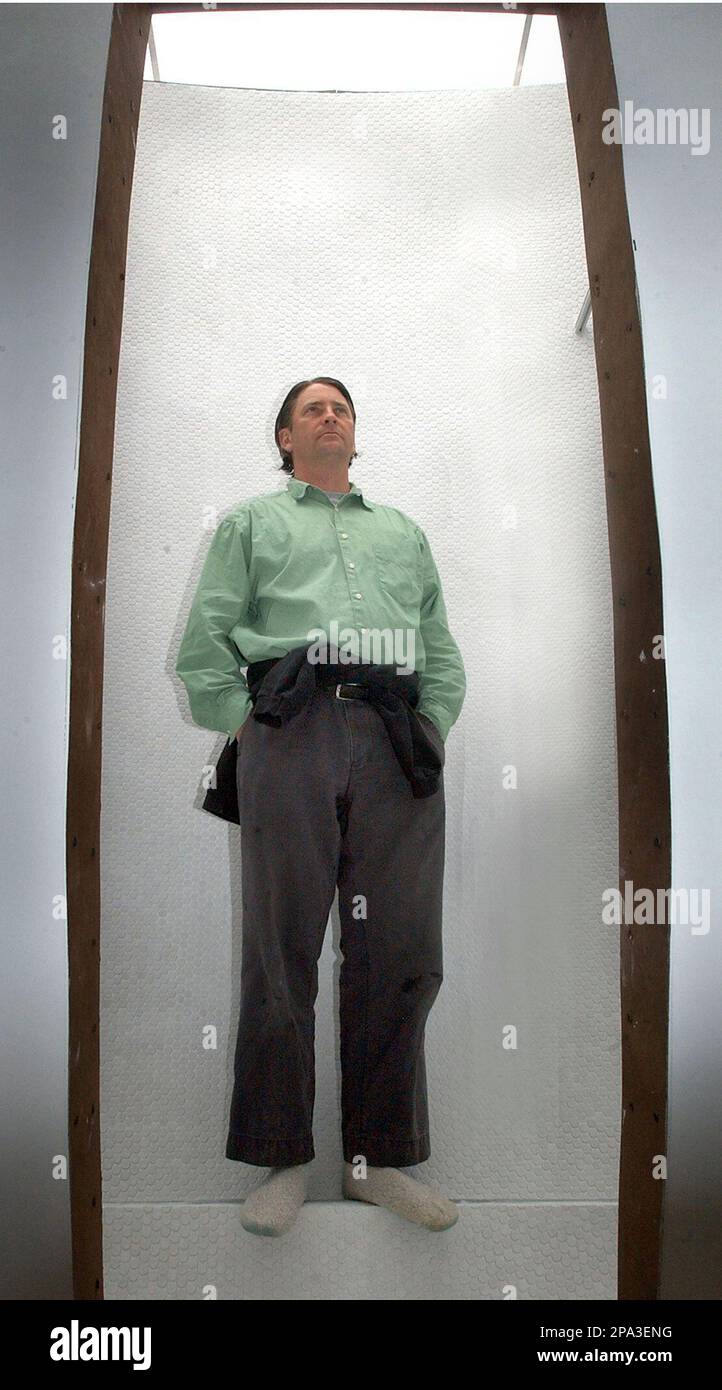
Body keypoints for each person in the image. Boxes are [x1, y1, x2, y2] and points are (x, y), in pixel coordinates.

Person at [175, 377, 466, 1235]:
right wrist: (256, 732)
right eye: (312, 408)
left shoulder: (404, 533)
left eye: (341, 406)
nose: (330, 415)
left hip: (395, 741)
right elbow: (203, 653)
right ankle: (282, 1158)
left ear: (353, 434)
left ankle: (377, 1162)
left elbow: (442, 651)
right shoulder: (251, 526)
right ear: (285, 437)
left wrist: (432, 727)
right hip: (289, 731)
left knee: (404, 947)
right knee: (281, 945)